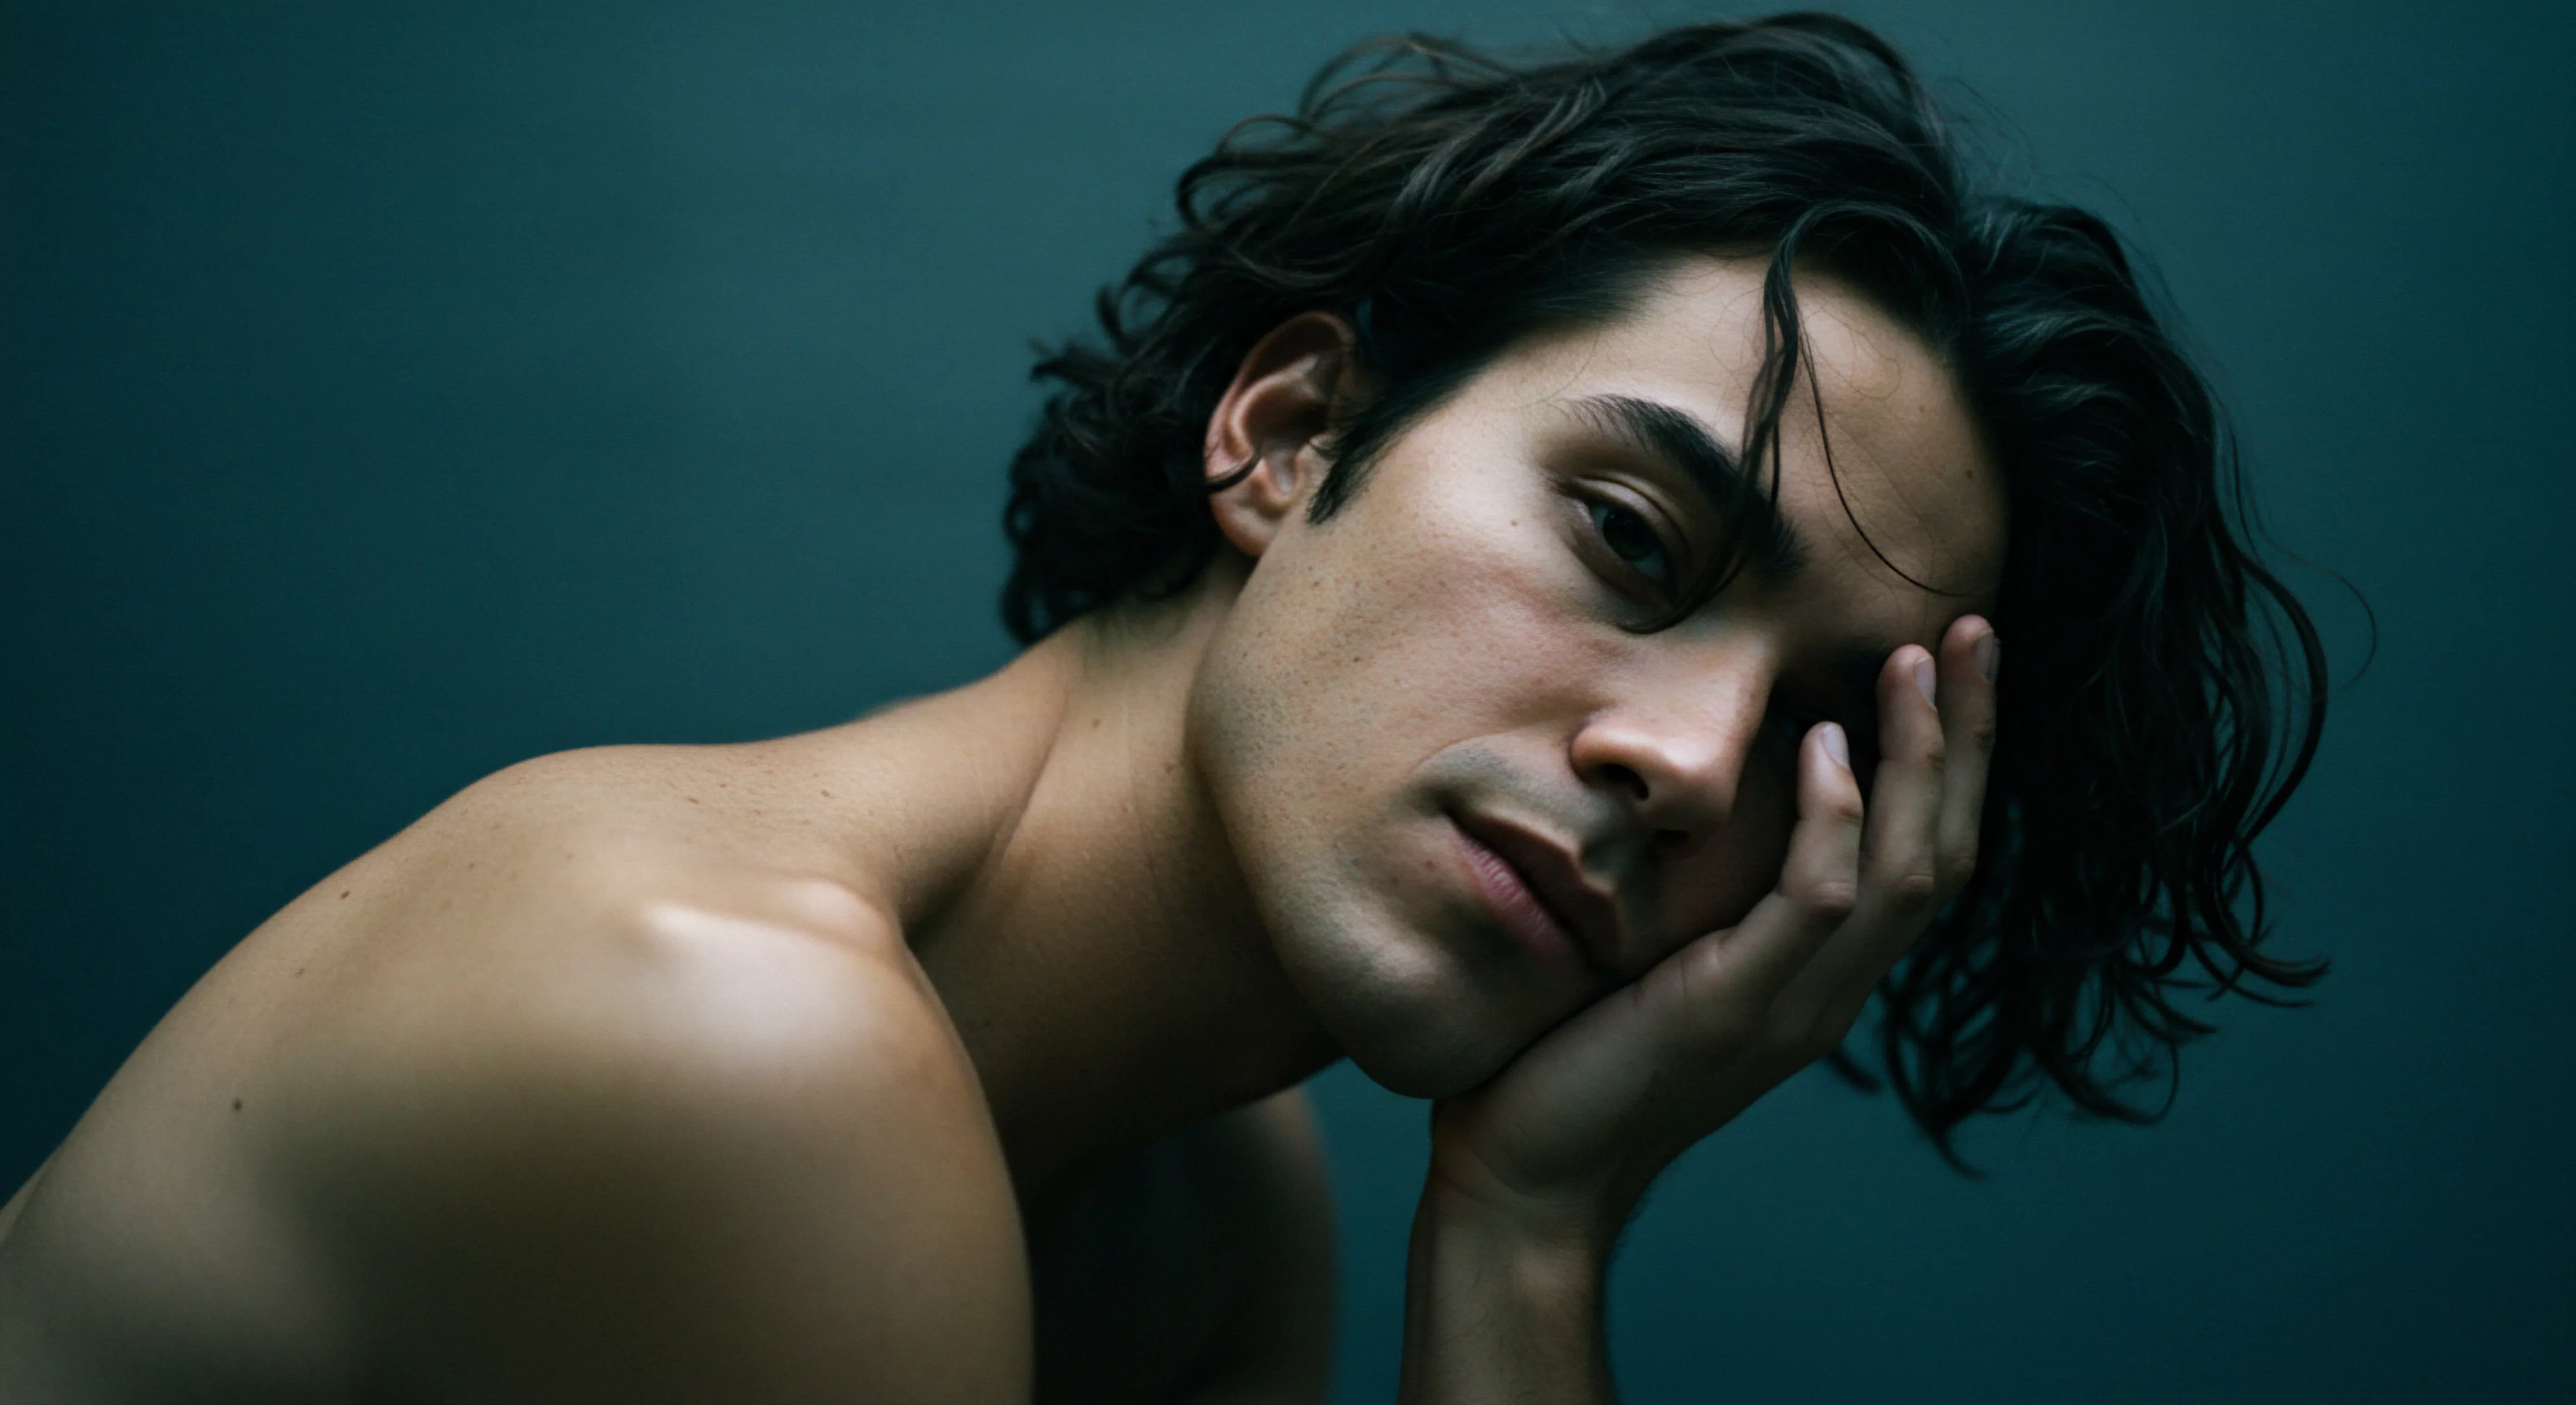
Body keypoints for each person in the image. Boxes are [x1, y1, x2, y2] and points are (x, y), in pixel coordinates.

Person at [0, 14, 2328, 1402]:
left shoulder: (1204, 1205)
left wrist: (1529, 1229)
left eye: (1822, 731)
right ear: (1290, 429)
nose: (1696, 771)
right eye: (1632, 540)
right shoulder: (734, 1046)